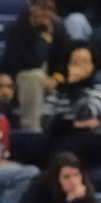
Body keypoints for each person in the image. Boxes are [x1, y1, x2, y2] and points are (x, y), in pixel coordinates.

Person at [42, 41, 101, 169]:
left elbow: (85, 113)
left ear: (93, 66)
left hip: (95, 140)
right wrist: (74, 125)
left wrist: (74, 86)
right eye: (74, 63)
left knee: (65, 148)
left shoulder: (100, 91)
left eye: (84, 62)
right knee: (36, 146)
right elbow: (46, 121)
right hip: (63, 137)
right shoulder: (58, 93)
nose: (78, 68)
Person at [2, 0, 71, 132]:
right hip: (21, 83)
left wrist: (56, 78)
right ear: (32, 8)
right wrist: (42, 37)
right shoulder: (17, 29)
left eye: (50, 9)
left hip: (51, 82)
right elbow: (29, 62)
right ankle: (31, 130)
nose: (45, 13)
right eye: (41, 7)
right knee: (34, 76)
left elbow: (66, 59)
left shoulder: (59, 28)